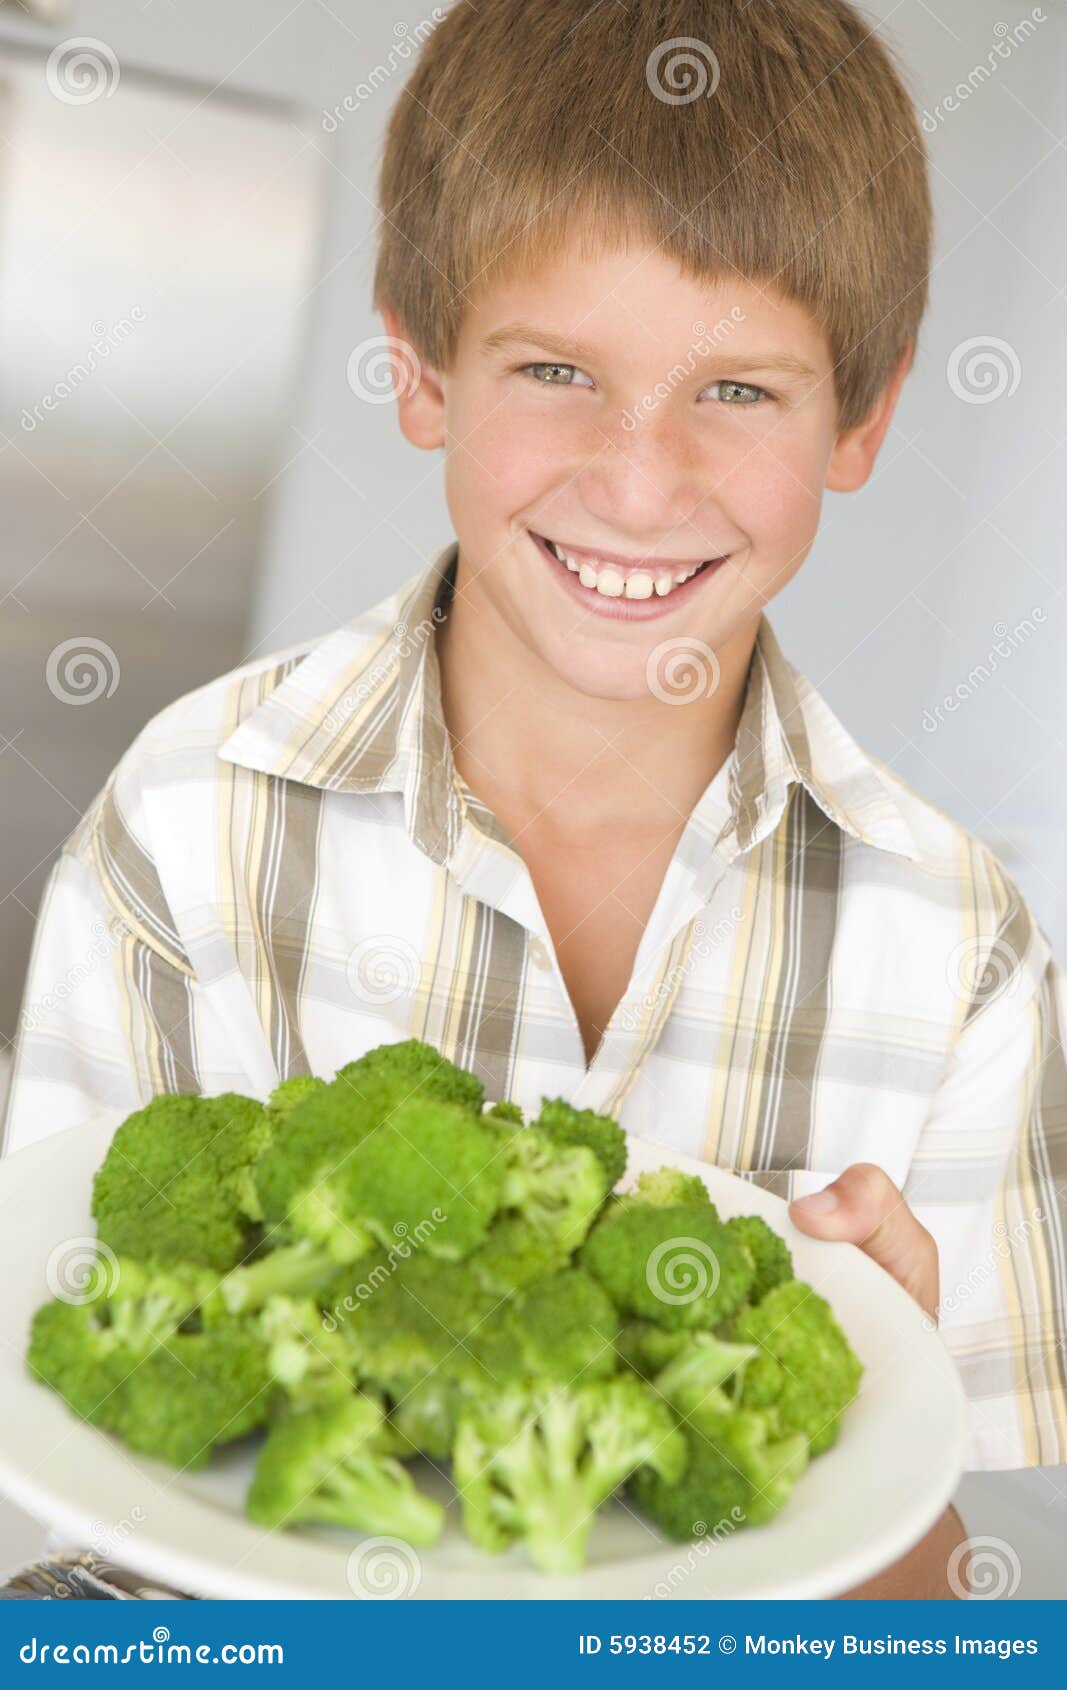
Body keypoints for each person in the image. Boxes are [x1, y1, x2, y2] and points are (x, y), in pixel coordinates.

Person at [3, 0, 1064, 1600]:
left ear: (866, 412)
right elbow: (79, 1478)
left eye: (741, 392)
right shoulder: (184, 827)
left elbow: (959, 1613)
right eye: (558, 368)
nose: (639, 483)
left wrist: (883, 1417)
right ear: (422, 368)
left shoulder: (967, 948)